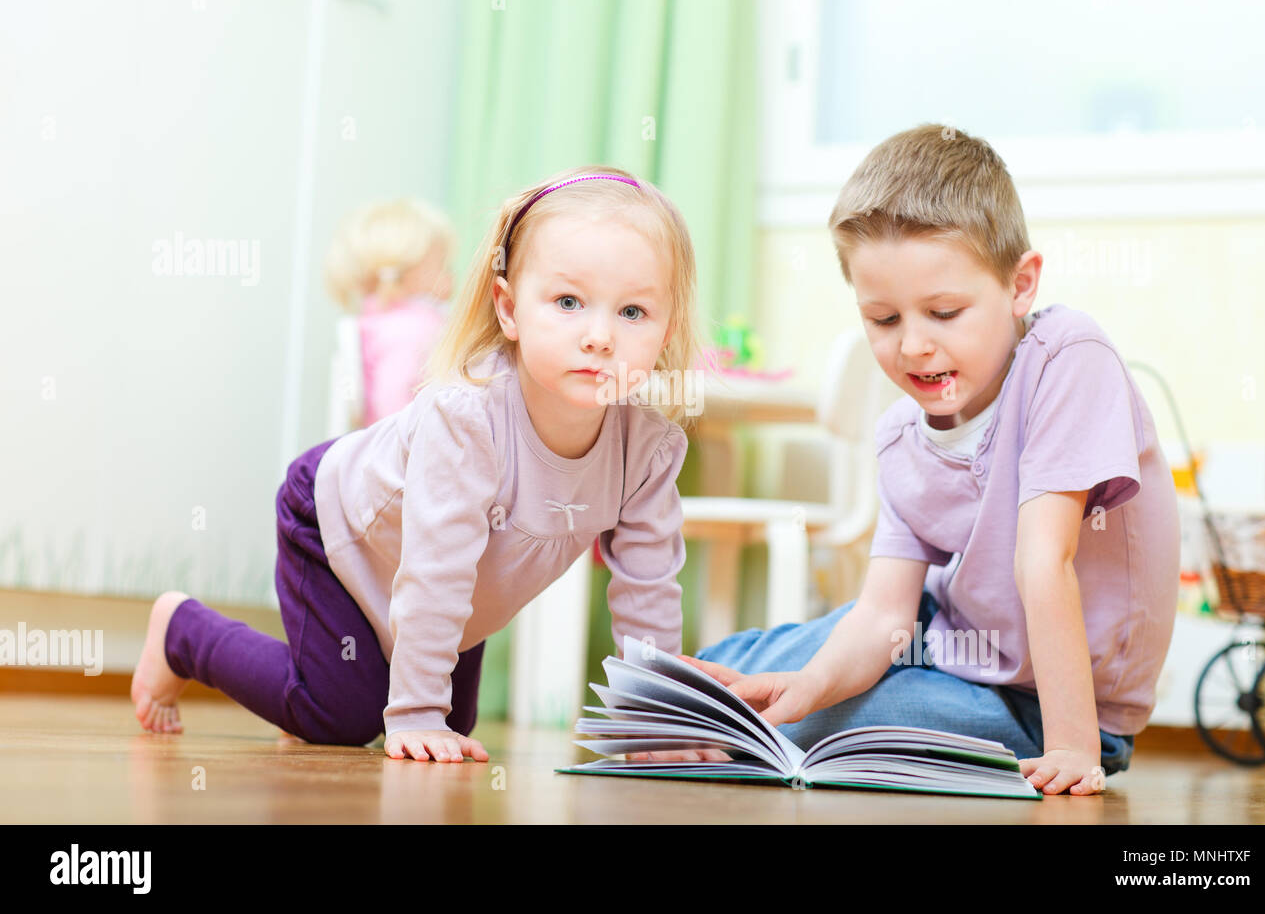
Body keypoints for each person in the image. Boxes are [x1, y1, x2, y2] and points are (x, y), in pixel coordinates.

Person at [131, 166, 701, 763]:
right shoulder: (469, 419)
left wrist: (655, 729)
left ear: (667, 329)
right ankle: (181, 631)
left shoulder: (649, 449)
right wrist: (414, 713)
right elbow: (437, 568)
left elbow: (648, 591)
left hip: (443, 573)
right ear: (508, 309)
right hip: (336, 521)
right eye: (567, 302)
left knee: (456, 722)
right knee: (345, 715)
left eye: (633, 312)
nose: (600, 337)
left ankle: (326, 688)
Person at [674, 125, 1179, 797]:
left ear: (1020, 285)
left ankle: (723, 734)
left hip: (1052, 705)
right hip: (936, 642)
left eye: (943, 312)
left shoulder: (1068, 359)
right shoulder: (898, 440)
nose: (912, 345)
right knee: (738, 672)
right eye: (883, 320)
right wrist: (808, 681)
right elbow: (884, 617)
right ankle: (692, 721)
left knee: (830, 726)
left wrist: (1073, 748)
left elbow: (1043, 559)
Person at [324, 197, 457, 427]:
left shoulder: (375, 320)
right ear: (407, 272)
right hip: (409, 451)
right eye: (442, 265)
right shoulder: (414, 328)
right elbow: (393, 401)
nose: (451, 276)